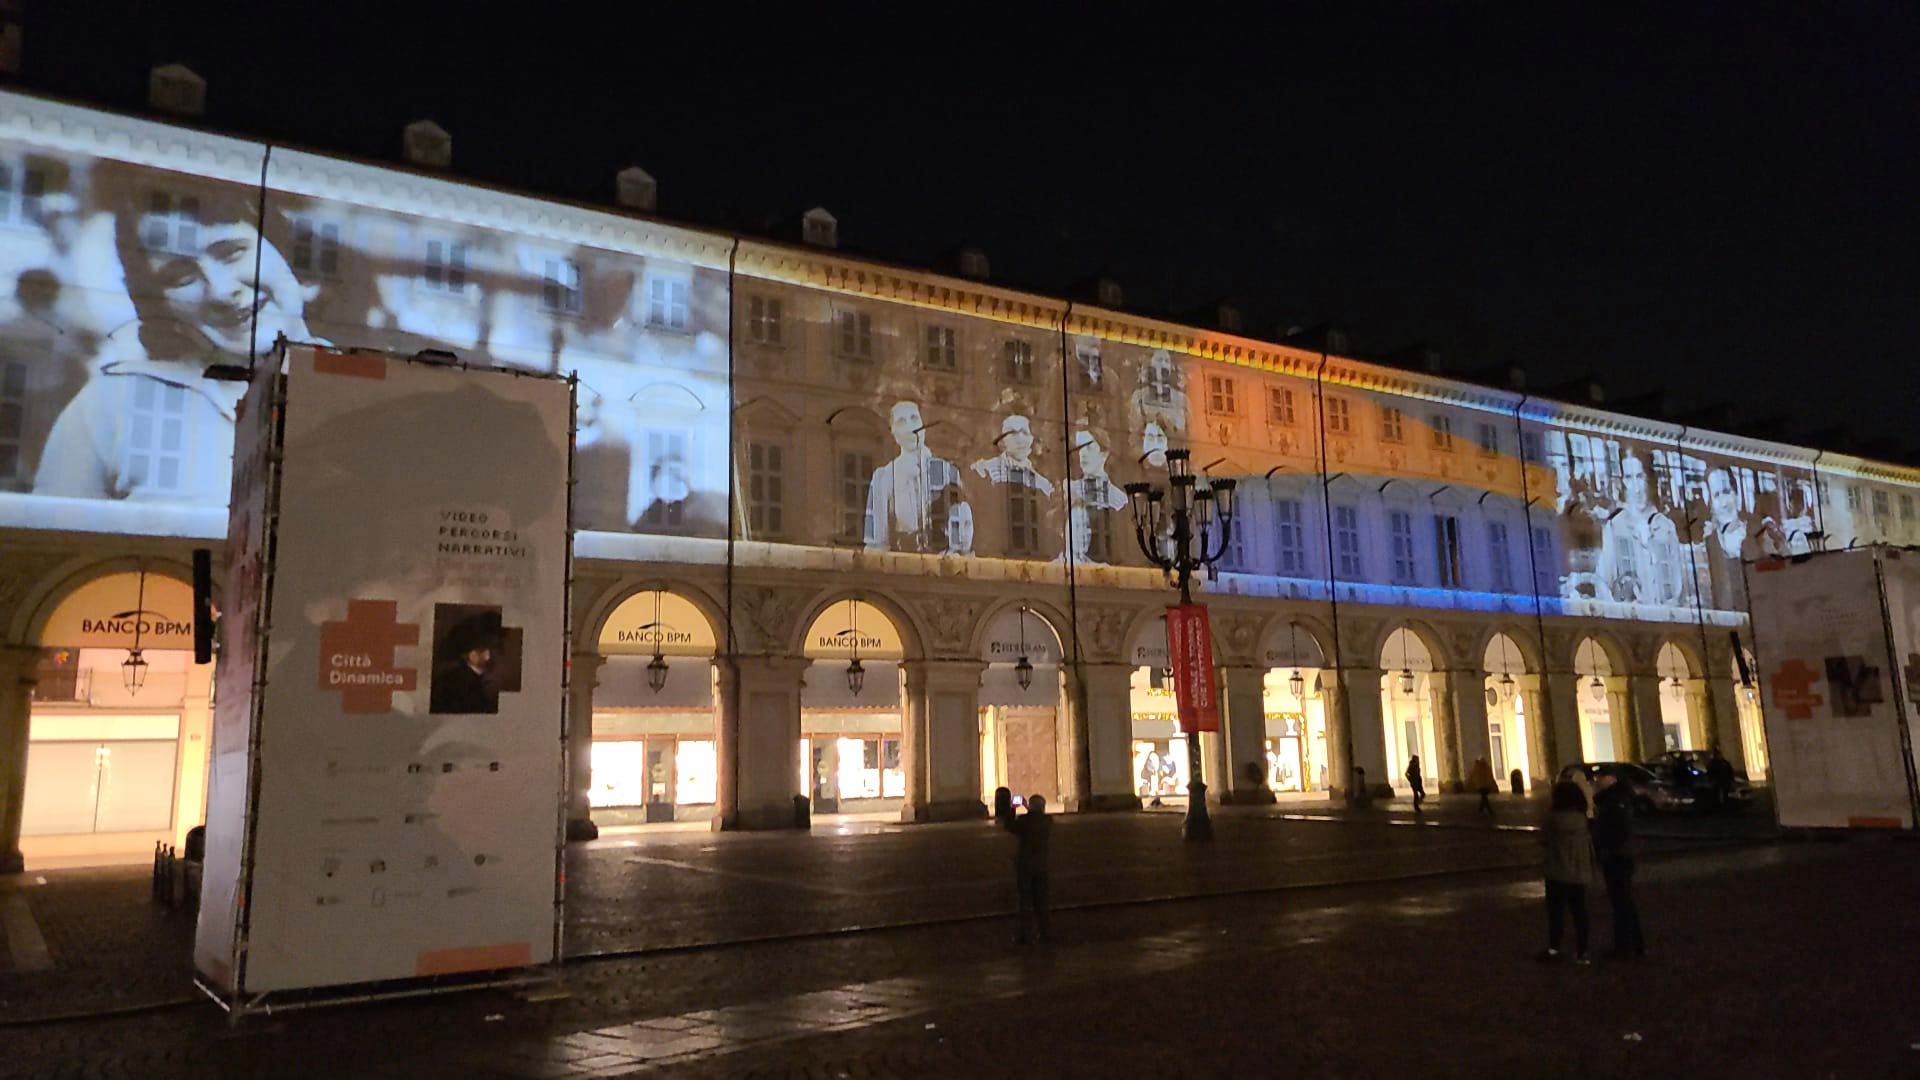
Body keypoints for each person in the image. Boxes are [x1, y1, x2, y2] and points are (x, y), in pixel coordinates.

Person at [36, 174, 320, 502]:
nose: (221, 291)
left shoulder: (369, 390)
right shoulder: (110, 404)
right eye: (181, 276)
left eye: (231, 253)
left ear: (283, 249)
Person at [865, 400, 961, 552]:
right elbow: (877, 542)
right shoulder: (884, 477)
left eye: (914, 419)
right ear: (893, 433)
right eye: (901, 422)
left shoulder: (947, 472)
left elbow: (960, 533)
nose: (911, 428)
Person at [1597, 449, 1686, 607]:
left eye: (1640, 477)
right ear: (1622, 482)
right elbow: (1603, 582)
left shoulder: (1666, 528)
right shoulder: (1615, 526)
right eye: (1629, 478)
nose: (1636, 488)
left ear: (1649, 479)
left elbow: (1679, 587)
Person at [1537, 780, 1596, 964]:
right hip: (1579, 873)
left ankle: (1555, 949)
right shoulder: (1582, 819)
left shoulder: (1552, 819)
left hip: (1557, 872)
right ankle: (1582, 951)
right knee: (1580, 913)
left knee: (1556, 913)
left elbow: (1543, 840)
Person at [1590, 771, 1645, 958]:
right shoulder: (1617, 800)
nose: (1597, 783)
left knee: (1621, 901)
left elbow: (1616, 830)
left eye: (1600, 780)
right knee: (1624, 901)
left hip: (1617, 857)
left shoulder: (1614, 802)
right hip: (1620, 855)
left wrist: (1605, 849)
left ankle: (1625, 946)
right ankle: (1634, 943)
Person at [1001, 792, 1053, 945]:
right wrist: (1028, 807)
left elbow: (1009, 825)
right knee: (1042, 901)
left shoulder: (1024, 821)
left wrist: (1013, 808)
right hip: (1041, 865)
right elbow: (1035, 818)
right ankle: (1045, 933)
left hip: (1025, 866)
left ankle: (1025, 935)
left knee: (1025, 901)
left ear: (1031, 807)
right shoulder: (1047, 821)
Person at [431, 612, 501, 715]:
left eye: (492, 648)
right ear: (471, 654)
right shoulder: (453, 681)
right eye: (483, 650)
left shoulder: (483, 679)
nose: (489, 656)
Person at [1706, 746, 1736, 812]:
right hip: (1717, 781)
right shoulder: (1713, 763)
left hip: (1724, 780)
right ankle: (1719, 807)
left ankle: (1724, 806)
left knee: (1725, 794)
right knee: (1716, 794)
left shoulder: (1723, 762)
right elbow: (1709, 772)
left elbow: (1730, 771)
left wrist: (1731, 779)